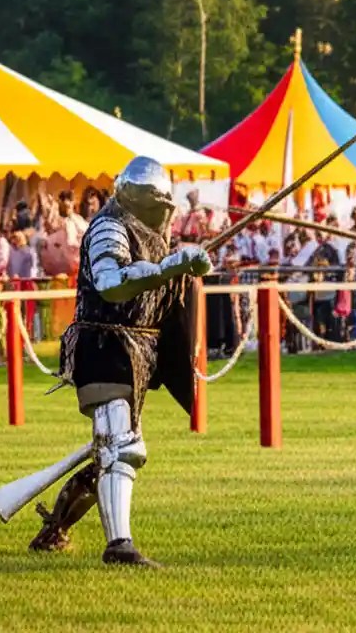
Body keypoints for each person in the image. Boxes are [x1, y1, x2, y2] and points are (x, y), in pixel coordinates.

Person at [29, 157, 211, 567]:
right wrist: (171, 266)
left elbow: (161, 293)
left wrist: (186, 268)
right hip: (103, 347)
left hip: (135, 354)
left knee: (108, 456)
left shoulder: (152, 234)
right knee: (122, 449)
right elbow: (112, 284)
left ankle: (55, 529)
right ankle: (119, 546)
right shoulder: (110, 227)